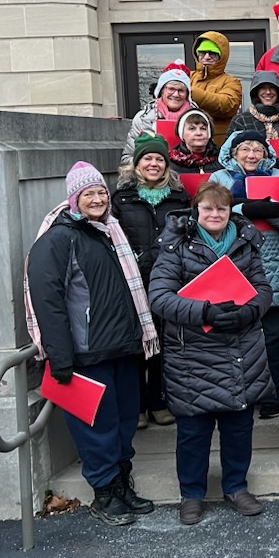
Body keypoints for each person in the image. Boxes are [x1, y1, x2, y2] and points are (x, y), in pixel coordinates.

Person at [25, 162, 159, 526]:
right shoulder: (57, 240)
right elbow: (48, 301)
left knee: (124, 423)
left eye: (101, 192)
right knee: (97, 430)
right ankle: (104, 494)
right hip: (86, 355)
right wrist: (60, 356)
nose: (98, 199)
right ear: (74, 199)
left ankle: (122, 487)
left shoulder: (109, 232)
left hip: (122, 348)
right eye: (89, 194)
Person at [147, 182, 273, 525]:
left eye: (221, 208)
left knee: (239, 428)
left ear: (230, 211)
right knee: (193, 432)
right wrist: (204, 311)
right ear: (196, 210)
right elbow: (159, 297)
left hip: (240, 348)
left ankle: (237, 486)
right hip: (192, 353)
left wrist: (250, 311)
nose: (215, 214)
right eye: (208, 208)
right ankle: (191, 493)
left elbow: (263, 288)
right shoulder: (176, 245)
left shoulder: (246, 242)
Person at [209, 130, 279, 419]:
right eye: (245, 149)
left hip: (273, 265)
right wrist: (244, 209)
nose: (251, 155)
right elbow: (209, 217)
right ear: (233, 152)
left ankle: (271, 393)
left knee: (272, 336)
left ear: (266, 153)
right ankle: (240, 392)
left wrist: (274, 210)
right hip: (234, 266)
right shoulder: (219, 179)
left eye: (257, 149)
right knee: (237, 336)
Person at [111, 132, 190, 427]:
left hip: (170, 280)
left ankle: (159, 401)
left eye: (159, 159)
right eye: (147, 159)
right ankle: (139, 405)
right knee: (138, 344)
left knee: (164, 342)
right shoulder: (121, 198)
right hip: (133, 280)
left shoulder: (180, 197)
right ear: (136, 164)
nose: (154, 164)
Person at [228, 71, 279, 174]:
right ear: (256, 92)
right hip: (251, 176)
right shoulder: (241, 121)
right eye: (262, 88)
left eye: (272, 87)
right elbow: (230, 153)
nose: (268, 92)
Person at [123, 59, 192, 165]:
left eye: (181, 90)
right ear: (161, 91)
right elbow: (127, 158)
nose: (176, 94)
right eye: (171, 89)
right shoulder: (143, 118)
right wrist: (146, 162)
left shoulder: (199, 118)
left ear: (187, 94)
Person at [188, 32, 243, 142]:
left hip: (217, 142)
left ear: (222, 56)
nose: (207, 57)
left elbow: (228, 105)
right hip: (188, 140)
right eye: (202, 52)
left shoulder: (231, 82)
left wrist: (191, 93)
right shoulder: (188, 77)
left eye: (212, 53)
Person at [167, 108, 222, 175]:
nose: (198, 133)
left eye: (203, 128)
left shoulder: (222, 159)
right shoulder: (171, 163)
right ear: (182, 133)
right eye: (192, 128)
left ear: (209, 133)